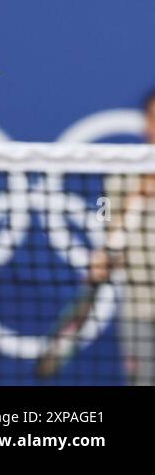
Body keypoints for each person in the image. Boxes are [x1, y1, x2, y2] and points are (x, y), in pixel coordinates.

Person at [95, 89, 155, 385]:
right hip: (139, 312)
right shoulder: (120, 177)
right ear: (146, 124)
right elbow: (109, 249)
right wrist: (138, 197)